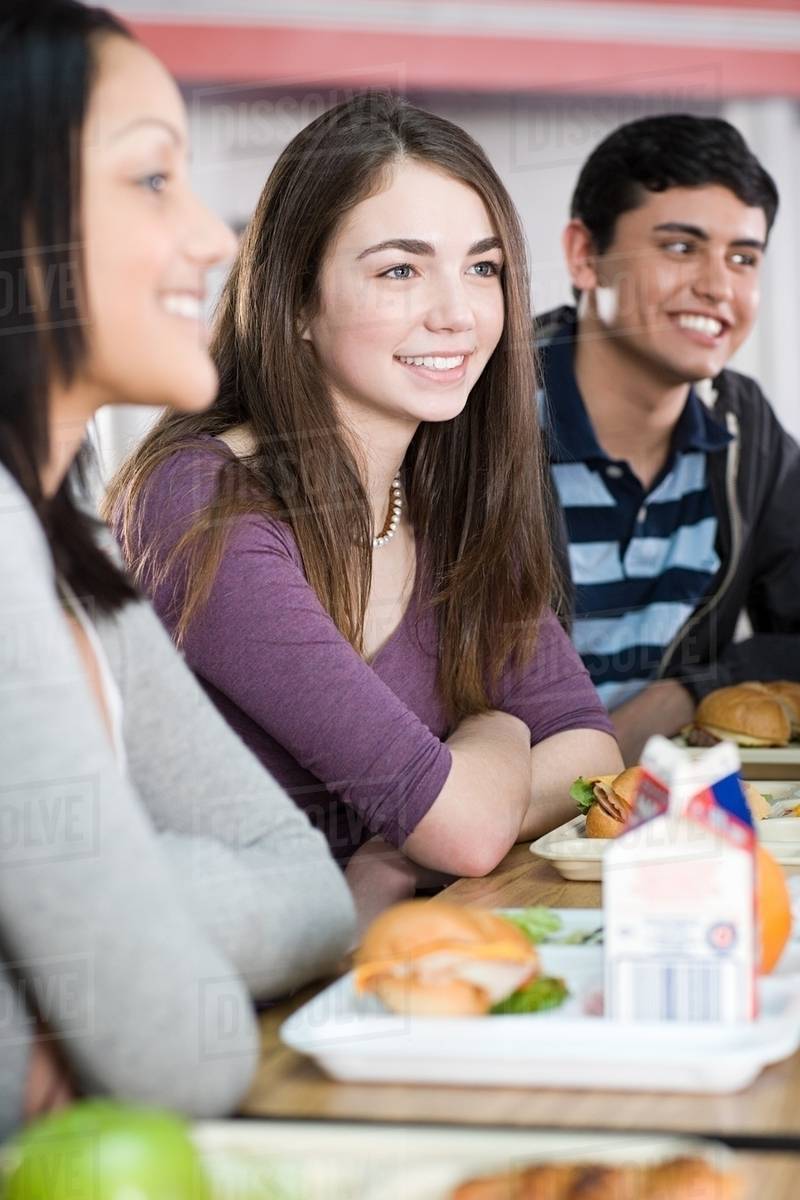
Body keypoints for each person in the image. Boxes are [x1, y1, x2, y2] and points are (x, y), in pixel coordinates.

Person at [105, 93, 622, 914]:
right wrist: (494, 730)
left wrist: (402, 843)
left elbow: (592, 751)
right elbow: (462, 832)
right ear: (299, 301)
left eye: (483, 267)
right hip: (225, 1001)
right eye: (400, 270)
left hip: (374, 974)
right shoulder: (199, 498)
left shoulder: (447, 495)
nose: (458, 313)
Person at [0, 1, 355, 1137]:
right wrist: (79, 987)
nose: (212, 238)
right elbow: (181, 1056)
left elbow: (309, 891)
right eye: (151, 180)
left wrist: (91, 946)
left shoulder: (64, 540)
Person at [537, 113, 800, 764]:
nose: (718, 286)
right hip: (478, 838)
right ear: (584, 255)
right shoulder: (477, 421)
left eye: (743, 258)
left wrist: (688, 692)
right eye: (681, 247)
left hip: (658, 819)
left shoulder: (745, 431)